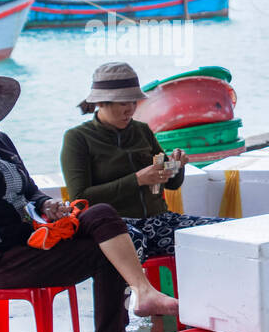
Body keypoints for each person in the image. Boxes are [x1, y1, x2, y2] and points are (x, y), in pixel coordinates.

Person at [0, 62, 178, 332]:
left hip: (31, 240)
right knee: (103, 253)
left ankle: (142, 293)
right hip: (1, 260)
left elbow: (29, 189)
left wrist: (47, 204)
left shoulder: (0, 140)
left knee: (101, 214)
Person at [61, 62, 224, 261]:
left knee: (227, 232)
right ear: (101, 103)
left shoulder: (142, 130)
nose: (130, 110)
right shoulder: (78, 138)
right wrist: (136, 180)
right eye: (123, 103)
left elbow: (172, 184)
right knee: (133, 241)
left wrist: (176, 165)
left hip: (159, 221)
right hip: (114, 228)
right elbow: (80, 197)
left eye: (133, 102)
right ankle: (133, 292)